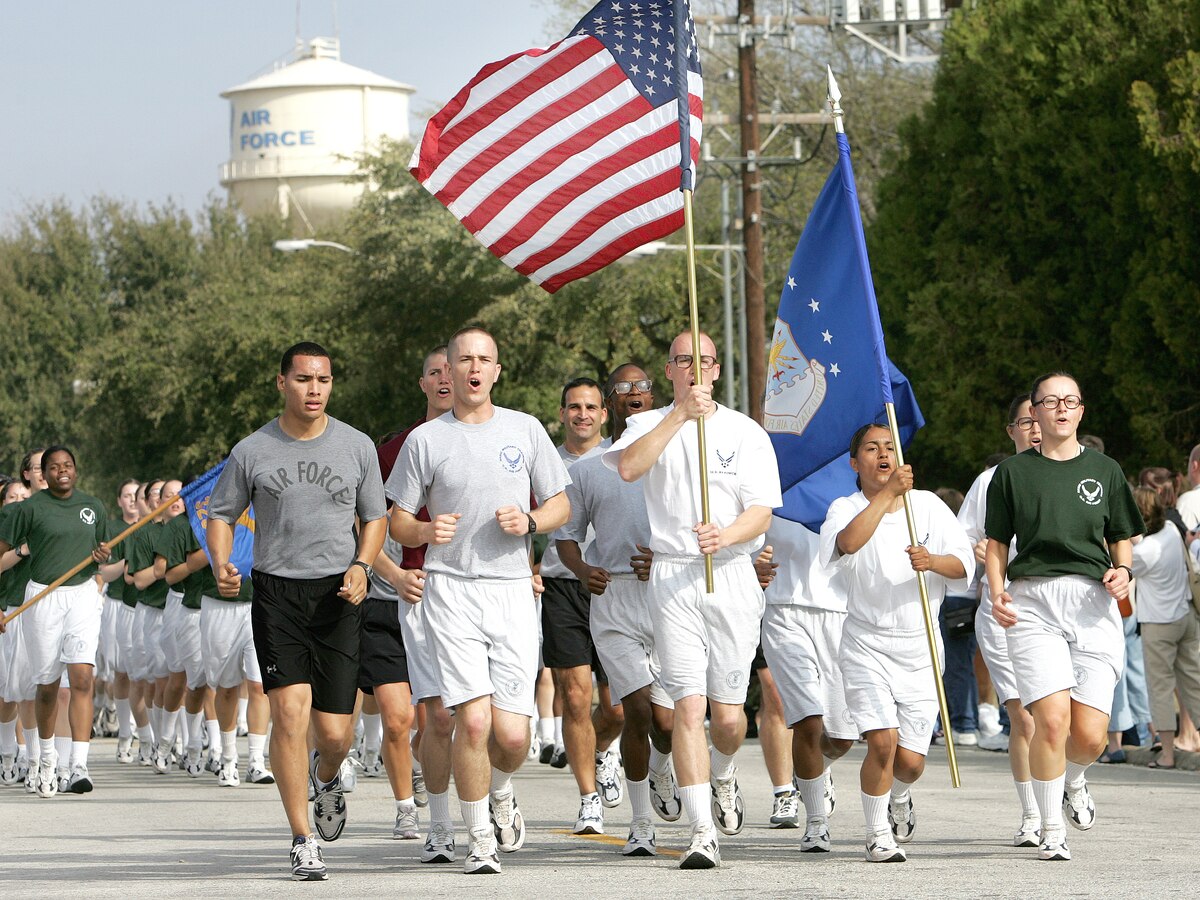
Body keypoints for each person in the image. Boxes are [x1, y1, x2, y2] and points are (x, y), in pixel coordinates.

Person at [389, 326, 570, 876]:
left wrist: (532, 521)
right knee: (467, 721)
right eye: (463, 359)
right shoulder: (426, 440)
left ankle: (502, 788)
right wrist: (423, 534)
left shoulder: (527, 429)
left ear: (496, 371)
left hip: (512, 590)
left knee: (512, 736)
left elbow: (561, 504)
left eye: (483, 359)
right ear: (448, 368)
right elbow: (396, 519)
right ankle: (477, 839)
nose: (472, 368)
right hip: (450, 590)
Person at [207, 340, 387, 882]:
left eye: (324, 380)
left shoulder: (356, 446)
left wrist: (362, 565)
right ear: (282, 382)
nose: (315, 389)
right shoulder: (252, 450)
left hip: (339, 593)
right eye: (304, 379)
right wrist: (221, 562)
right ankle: (301, 837)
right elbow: (220, 514)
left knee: (334, 734)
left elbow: (375, 518)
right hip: (277, 595)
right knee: (288, 715)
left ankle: (326, 776)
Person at [603, 331, 781, 870]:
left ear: (717, 370)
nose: (695, 369)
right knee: (687, 705)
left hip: (729, 573)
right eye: (684, 361)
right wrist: (678, 416)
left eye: (704, 361)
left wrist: (726, 537)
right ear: (671, 369)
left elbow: (762, 511)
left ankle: (723, 774)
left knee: (729, 721)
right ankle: (702, 830)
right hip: (673, 575)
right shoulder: (646, 423)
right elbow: (630, 467)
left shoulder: (745, 432)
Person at [986, 371, 1144, 862]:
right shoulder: (1012, 474)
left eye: (1070, 401)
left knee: (1090, 737)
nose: (1061, 408)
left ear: (1081, 411)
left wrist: (1123, 571)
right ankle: (1052, 828)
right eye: (1050, 401)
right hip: (1032, 601)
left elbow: (1122, 535)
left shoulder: (1106, 469)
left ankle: (1075, 779)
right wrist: (997, 592)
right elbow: (995, 543)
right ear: (1033, 412)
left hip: (1092, 603)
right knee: (1050, 722)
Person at [820, 424, 972, 863]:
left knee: (910, 763)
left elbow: (963, 565)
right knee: (882, 742)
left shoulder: (927, 506)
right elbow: (847, 544)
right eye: (872, 448)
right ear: (855, 463)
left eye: (890, 447)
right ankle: (875, 833)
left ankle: (899, 795)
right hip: (866, 643)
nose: (883, 453)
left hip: (921, 645)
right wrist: (885, 496)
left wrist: (932, 561)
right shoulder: (844, 507)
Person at [557, 364, 681, 857]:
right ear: (611, 402)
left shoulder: (678, 458)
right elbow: (565, 539)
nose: (636, 394)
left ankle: (662, 767)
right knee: (635, 710)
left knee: (668, 724)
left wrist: (670, 557)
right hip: (614, 599)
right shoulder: (590, 470)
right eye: (625, 389)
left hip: (669, 595)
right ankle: (641, 824)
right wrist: (585, 570)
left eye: (643, 387)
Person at [375, 346, 458, 862]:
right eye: (435, 372)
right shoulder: (395, 449)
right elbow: (370, 525)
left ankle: (491, 793)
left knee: (462, 715)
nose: (447, 378)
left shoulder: (501, 435)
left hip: (479, 589)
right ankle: (419, 810)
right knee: (411, 716)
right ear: (423, 384)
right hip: (412, 589)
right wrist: (393, 572)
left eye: (454, 370)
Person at [541, 376, 626, 836]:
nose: (583, 415)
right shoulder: (546, 463)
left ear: (604, 413)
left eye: (591, 407)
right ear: (562, 414)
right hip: (561, 586)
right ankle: (588, 797)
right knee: (574, 696)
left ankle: (601, 749)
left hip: (614, 586)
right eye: (574, 407)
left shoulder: (620, 458)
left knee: (616, 709)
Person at [0, 445, 111, 796]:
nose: (62, 471)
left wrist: (101, 555)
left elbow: (103, 556)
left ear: (76, 470)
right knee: (46, 684)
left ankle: (78, 763)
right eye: (53, 467)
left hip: (81, 594)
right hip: (42, 596)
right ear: (42, 474)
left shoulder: (93, 506)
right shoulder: (28, 509)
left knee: (81, 676)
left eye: (68, 465)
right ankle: (46, 759)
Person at [958, 395, 1044, 846]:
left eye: (1039, 420)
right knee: (1024, 718)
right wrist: (975, 553)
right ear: (1010, 430)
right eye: (1024, 422)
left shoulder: (1071, 474)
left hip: (1055, 610)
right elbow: (962, 540)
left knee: (1057, 720)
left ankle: (1068, 783)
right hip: (1002, 612)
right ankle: (1032, 815)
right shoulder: (990, 482)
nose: (1034, 428)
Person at [760, 513, 855, 853]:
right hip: (783, 608)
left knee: (843, 738)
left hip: (841, 613)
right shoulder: (774, 490)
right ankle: (816, 822)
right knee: (808, 721)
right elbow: (743, 542)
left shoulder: (852, 501)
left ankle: (812, 773)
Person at [1130, 486, 1200, 769]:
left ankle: (1168, 755)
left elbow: (1119, 565)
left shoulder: (1143, 553)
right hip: (1186, 615)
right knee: (1194, 684)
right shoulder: (1172, 529)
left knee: (1160, 688)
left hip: (1158, 624)